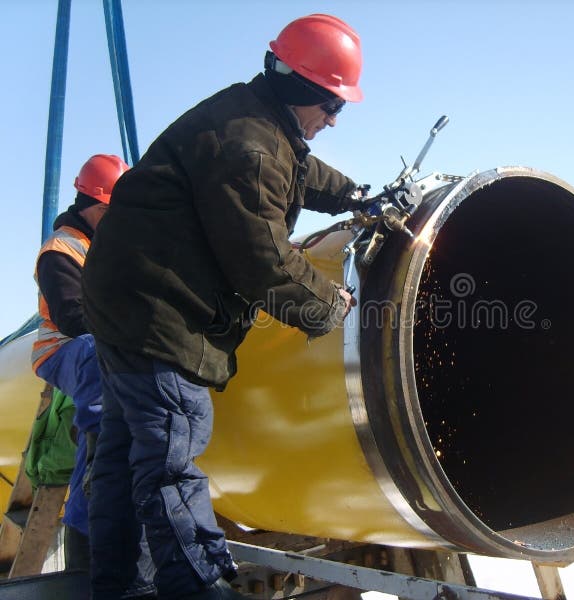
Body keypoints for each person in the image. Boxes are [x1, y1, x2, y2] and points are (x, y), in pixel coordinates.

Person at [82, 13, 368, 600]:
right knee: (169, 453)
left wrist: (357, 195)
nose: (333, 120)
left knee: (121, 454)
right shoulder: (249, 146)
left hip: (123, 302)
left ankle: (118, 586)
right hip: (158, 313)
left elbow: (299, 172)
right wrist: (329, 306)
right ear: (302, 91)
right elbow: (262, 262)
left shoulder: (252, 119)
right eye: (332, 106)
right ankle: (198, 586)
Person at [31, 154, 130, 570]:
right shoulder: (61, 250)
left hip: (105, 344)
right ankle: (97, 478)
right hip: (65, 351)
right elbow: (72, 318)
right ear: (99, 206)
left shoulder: (107, 245)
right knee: (97, 356)